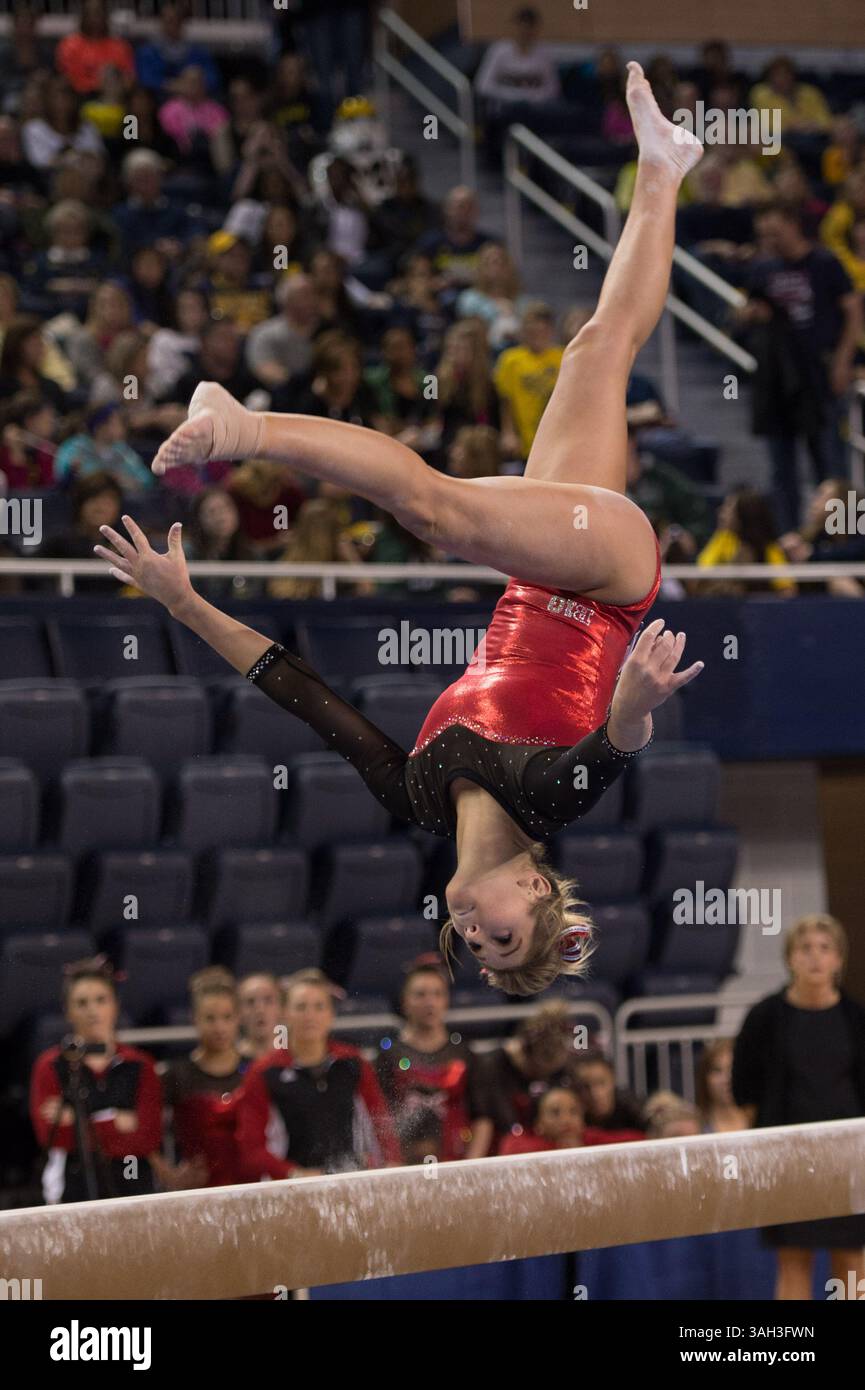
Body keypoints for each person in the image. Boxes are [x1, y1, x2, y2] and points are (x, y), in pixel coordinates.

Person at [95, 62, 705, 996]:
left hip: (543, 564)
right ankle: (243, 424)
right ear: (537, 888)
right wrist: (633, 700)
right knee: (436, 511)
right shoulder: (548, 796)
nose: (473, 934)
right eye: (503, 940)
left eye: (474, 950)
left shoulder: (415, 794)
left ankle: (662, 169)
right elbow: (614, 746)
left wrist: (185, 605)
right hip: (602, 582)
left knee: (597, 346)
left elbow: (294, 687)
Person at [732, 914, 865, 1300]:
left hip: (848, 1155)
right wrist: (768, 1149)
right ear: (790, 958)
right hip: (788, 1155)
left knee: (852, 1261)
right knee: (793, 1260)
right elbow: (745, 1090)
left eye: (825, 949)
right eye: (805, 949)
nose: (815, 958)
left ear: (839, 959)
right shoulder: (765, 1017)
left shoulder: (855, 1019)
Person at [738, 204, 862, 532]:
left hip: (818, 374)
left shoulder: (825, 263)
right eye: (764, 234)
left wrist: (842, 360)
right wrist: (752, 315)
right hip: (777, 379)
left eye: (775, 232)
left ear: (794, 224)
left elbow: (853, 311)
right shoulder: (762, 268)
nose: (770, 240)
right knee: (782, 468)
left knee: (830, 464)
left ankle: (841, 537)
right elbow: (744, 311)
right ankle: (791, 538)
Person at [234, 969, 399, 1178]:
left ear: (331, 1014)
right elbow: (251, 1150)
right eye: (301, 1007)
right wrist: (295, 1173)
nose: (309, 1016)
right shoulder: (265, 1072)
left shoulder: (352, 1063)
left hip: (351, 1180)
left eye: (319, 1007)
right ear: (285, 1013)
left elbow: (380, 1123)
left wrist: (392, 1163)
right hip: (291, 1188)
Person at [29, 958, 161, 1203]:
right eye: (81, 1003)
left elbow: (147, 1138)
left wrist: (77, 1117)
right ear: (67, 1010)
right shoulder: (49, 1065)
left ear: (115, 1005)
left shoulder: (141, 1064)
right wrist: (115, 1120)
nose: (92, 1010)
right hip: (72, 1190)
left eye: (101, 1000)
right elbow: (53, 1136)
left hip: (132, 1185)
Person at [375, 957, 492, 1162]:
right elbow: (380, 1120)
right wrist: (392, 1165)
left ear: (446, 1001)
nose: (430, 1002)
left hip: (457, 1159)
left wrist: (471, 1164)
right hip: (404, 1162)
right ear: (404, 1001)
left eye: (437, 994)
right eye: (420, 995)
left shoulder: (464, 1053)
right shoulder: (389, 1055)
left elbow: (482, 1117)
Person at [157, 968, 250, 1190]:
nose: (219, 1027)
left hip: (250, 1185)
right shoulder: (176, 1075)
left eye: (227, 1017)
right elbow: (145, 1134)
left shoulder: (254, 1071)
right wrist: (169, 1176)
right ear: (195, 1019)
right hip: (196, 1191)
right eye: (210, 1018)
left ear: (238, 1018)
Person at [494, 301, 564, 461]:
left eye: (542, 331)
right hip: (523, 440)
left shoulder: (563, 357)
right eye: (532, 331)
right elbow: (506, 400)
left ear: (550, 330)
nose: (537, 336)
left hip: (555, 438)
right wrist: (508, 433)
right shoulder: (510, 359)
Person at [697, 487, 795, 596]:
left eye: (728, 507)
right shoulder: (723, 538)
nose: (721, 511)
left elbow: (786, 590)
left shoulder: (769, 549)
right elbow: (702, 572)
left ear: (742, 514)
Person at [499, 1084, 643, 1154]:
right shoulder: (522, 1142)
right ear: (538, 1123)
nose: (566, 1119)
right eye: (555, 1113)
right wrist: (560, 1150)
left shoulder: (589, 1138)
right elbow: (509, 1148)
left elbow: (639, 1141)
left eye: (573, 1112)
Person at [55, 402, 154, 495]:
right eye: (117, 422)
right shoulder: (75, 447)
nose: (123, 426)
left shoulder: (121, 449)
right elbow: (62, 474)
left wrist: (129, 482)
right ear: (101, 426)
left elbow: (146, 479)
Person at [135, 0, 220, 97]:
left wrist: (193, 86)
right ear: (161, 23)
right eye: (167, 21)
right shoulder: (147, 52)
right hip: (159, 101)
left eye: (174, 21)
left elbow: (213, 79)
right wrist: (173, 86)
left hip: (194, 100)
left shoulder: (199, 52)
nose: (171, 25)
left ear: (182, 23)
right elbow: (145, 79)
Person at [55, 0, 135, 96]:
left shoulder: (120, 46)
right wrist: (95, 85)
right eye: (89, 13)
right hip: (77, 99)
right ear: (83, 15)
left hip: (112, 99)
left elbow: (128, 80)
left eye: (98, 13)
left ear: (105, 15)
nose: (94, 18)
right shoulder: (68, 45)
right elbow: (66, 78)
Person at [573, 1051, 645, 1131]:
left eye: (601, 1083)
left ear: (613, 1080)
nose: (594, 1093)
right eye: (585, 1086)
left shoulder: (635, 1112)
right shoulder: (572, 1117)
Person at [695, 1039, 750, 1133]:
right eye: (717, 1070)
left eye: (733, 1068)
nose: (726, 1079)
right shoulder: (694, 1126)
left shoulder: (762, 1118)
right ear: (704, 1077)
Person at [237, 973, 284, 1059]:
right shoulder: (229, 1061)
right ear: (238, 1012)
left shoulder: (296, 1058)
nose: (260, 1010)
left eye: (268, 1000)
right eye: (250, 1002)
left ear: (281, 1009)